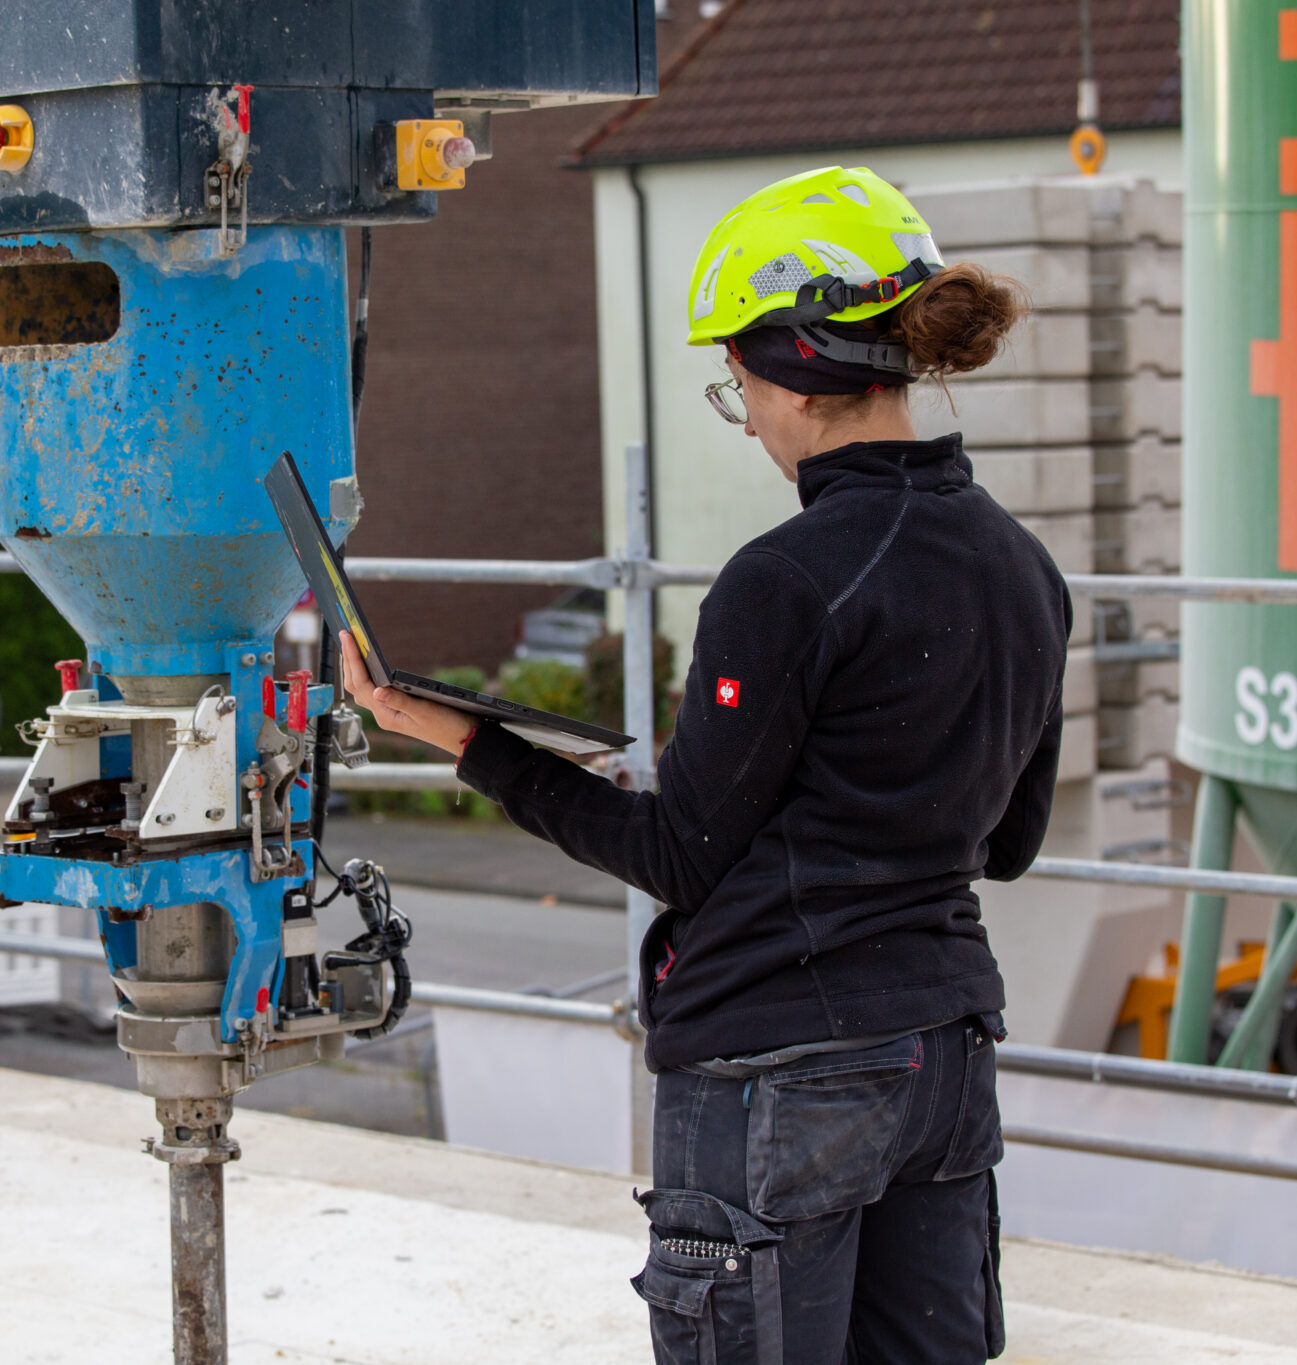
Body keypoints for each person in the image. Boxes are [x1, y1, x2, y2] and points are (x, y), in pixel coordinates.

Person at [340, 165, 1067, 1363]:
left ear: (792, 369)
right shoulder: (1020, 566)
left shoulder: (782, 579)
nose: (749, 421)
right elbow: (1008, 844)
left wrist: (468, 739)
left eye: (737, 387)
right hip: (942, 1052)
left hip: (781, 1071)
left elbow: (675, 851)